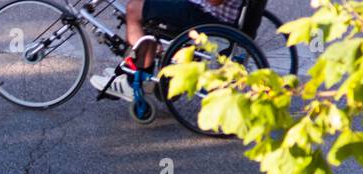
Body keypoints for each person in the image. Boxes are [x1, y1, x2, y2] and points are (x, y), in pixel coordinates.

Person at [88, 0, 246, 101]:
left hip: (208, 17)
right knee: (150, 8)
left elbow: (214, 1)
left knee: (134, 8)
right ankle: (141, 70)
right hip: (214, 13)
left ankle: (132, 81)